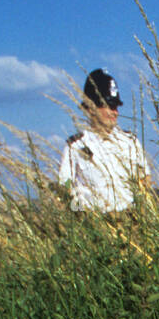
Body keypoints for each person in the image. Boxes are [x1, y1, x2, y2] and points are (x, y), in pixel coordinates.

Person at [58, 69, 151, 212]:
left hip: (130, 222)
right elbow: (64, 189)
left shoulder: (130, 142)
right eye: (108, 106)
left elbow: (145, 183)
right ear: (90, 108)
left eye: (116, 107)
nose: (114, 112)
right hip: (94, 225)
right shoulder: (76, 146)